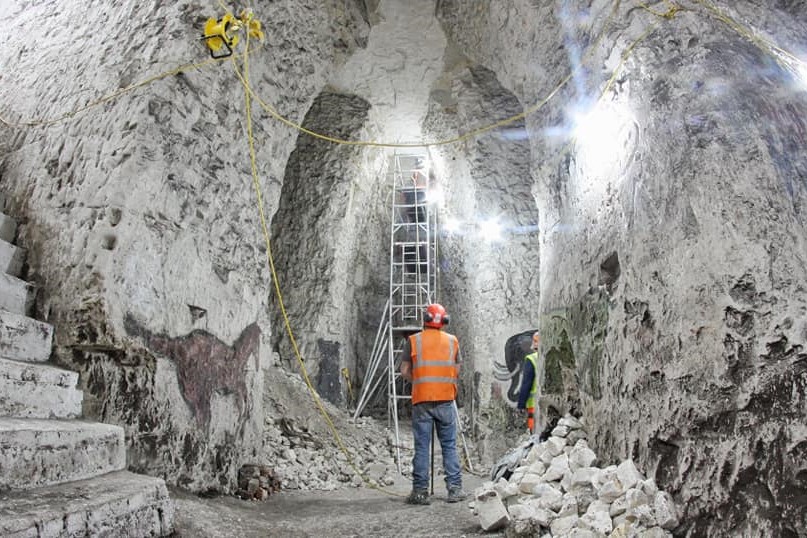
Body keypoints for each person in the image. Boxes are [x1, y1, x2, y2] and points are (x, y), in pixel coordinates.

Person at [400, 303, 466, 505]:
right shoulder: (453, 341)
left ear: (425, 319)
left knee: (422, 447)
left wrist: (420, 380)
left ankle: (420, 492)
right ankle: (454, 490)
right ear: (445, 321)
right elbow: (457, 368)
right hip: (446, 399)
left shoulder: (413, 340)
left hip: (422, 400)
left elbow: (404, 370)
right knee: (449, 446)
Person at [517, 331, 540, 433]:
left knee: (534, 431)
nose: (534, 343)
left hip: (534, 404)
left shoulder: (531, 359)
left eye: (536, 341)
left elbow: (526, 384)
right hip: (549, 405)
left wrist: (521, 404)